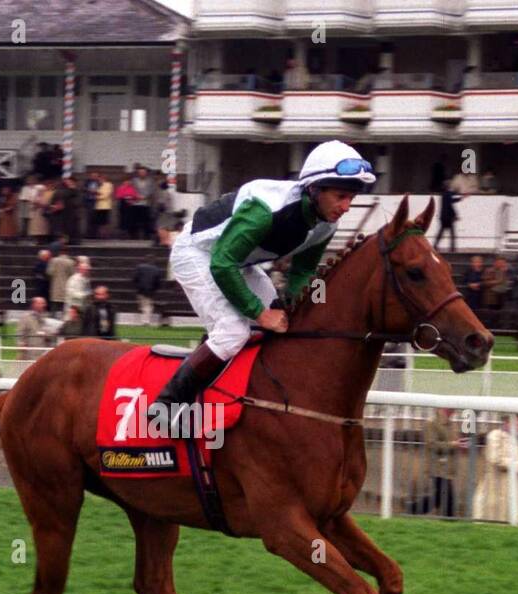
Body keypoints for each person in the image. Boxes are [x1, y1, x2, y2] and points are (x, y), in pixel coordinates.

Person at [152, 140, 374, 432]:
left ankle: (251, 394)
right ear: (315, 189)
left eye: (351, 198)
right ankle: (166, 405)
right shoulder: (265, 210)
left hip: (239, 262)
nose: (346, 207)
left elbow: (305, 270)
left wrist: (311, 305)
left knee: (284, 325)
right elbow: (222, 263)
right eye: (341, 196)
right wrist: (260, 313)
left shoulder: (325, 225)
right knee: (234, 330)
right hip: (198, 254)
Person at [472, 416, 518, 522]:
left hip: (509, 487)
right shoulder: (495, 436)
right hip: (495, 485)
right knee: (492, 518)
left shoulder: (514, 439)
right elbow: (496, 459)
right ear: (507, 422)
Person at [133, 255, 164, 327]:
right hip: (150, 290)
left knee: (144, 305)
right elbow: (158, 282)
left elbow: (135, 278)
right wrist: (155, 289)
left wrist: (137, 286)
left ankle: (144, 320)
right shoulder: (156, 269)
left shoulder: (139, 267)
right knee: (147, 306)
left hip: (140, 289)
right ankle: (145, 322)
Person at [46, 246, 76, 313]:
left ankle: (53, 316)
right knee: (65, 304)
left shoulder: (54, 260)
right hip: (67, 285)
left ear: (59, 252)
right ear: (67, 252)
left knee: (54, 303)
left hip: (55, 285)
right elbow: (73, 275)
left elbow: (49, 272)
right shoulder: (71, 262)